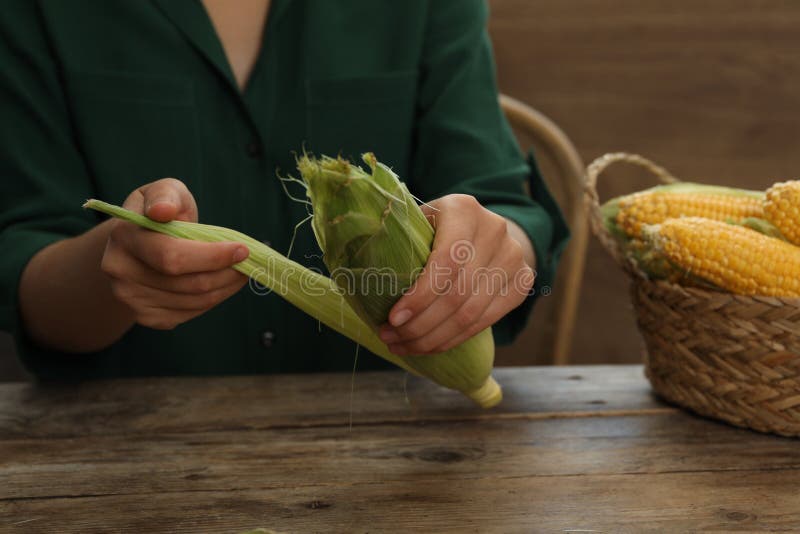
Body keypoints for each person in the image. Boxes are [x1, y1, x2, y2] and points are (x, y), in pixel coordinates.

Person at [0, 0, 568, 379]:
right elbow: (25, 259)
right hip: (130, 457)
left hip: (396, 452)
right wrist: (112, 271)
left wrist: (498, 248)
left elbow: (503, 204)